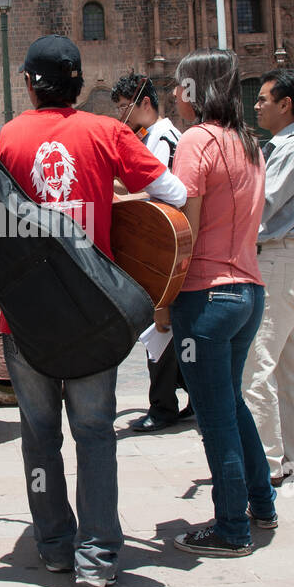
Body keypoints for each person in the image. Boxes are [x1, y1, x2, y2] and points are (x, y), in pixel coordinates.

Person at [0, 35, 186, 587]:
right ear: (79, 83)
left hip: (23, 320)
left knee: (39, 436)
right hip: (92, 316)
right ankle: (97, 557)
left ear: (29, 82)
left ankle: (53, 544)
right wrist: (113, 202)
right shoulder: (108, 131)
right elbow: (173, 193)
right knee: (96, 433)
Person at [163, 49, 275, 557]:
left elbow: (183, 224)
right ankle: (261, 502)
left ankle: (232, 528)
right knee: (230, 403)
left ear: (197, 90)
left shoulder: (196, 140)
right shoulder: (248, 143)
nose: (172, 95)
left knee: (214, 416)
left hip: (206, 295)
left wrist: (164, 297)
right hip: (247, 291)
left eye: (179, 85)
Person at [243, 69, 294, 487]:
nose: (256, 106)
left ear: (285, 104)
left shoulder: (293, 150)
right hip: (286, 263)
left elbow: (263, 203)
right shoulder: (290, 147)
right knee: (293, 367)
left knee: (254, 366)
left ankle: (265, 463)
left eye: (262, 99)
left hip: (276, 260)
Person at [111, 71, 193, 432]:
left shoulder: (161, 137)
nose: (123, 117)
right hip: (169, 241)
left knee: (159, 328)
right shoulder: (161, 135)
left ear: (145, 103)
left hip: (161, 243)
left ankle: (162, 407)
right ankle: (186, 397)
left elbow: (156, 189)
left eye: (126, 108)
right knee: (169, 330)